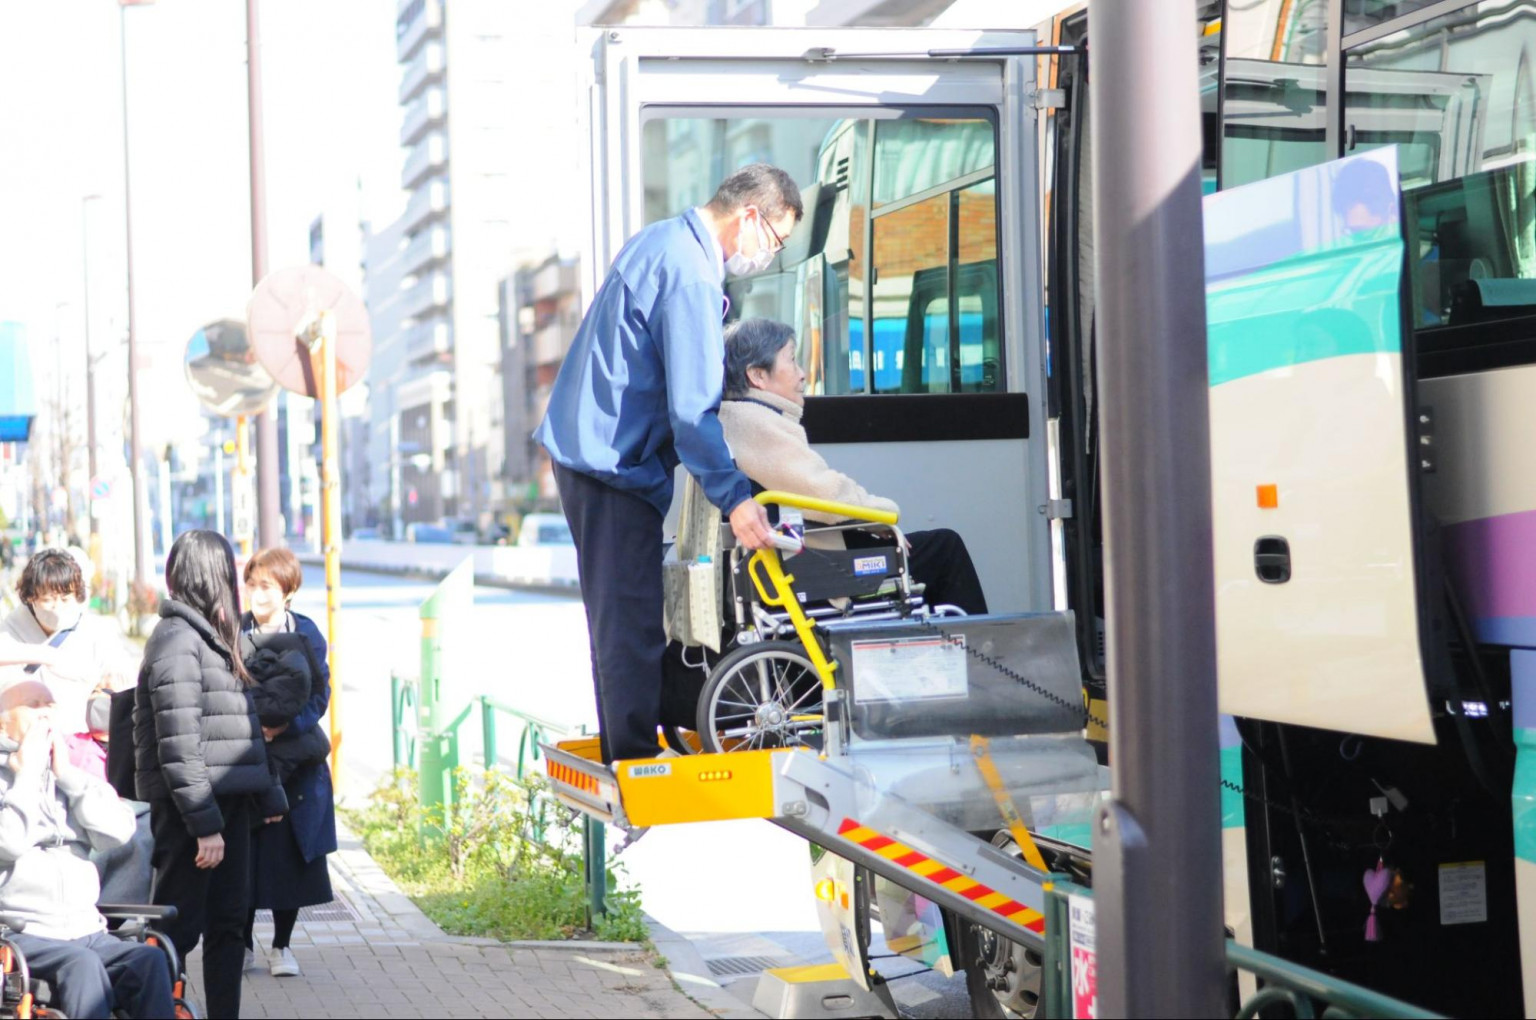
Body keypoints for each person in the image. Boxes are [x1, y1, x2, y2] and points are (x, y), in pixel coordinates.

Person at [533, 164, 804, 763]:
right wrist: (736, 498)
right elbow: (692, 409)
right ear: (750, 216)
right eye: (776, 241)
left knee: (622, 610)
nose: (769, 254)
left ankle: (631, 744)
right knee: (627, 618)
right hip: (608, 461)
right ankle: (630, 760)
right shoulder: (690, 276)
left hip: (593, 449)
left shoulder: (661, 240)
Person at [719, 318, 989, 615]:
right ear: (757, 375)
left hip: (799, 553)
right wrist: (881, 514)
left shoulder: (740, 419)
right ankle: (983, 653)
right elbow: (823, 494)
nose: (802, 375)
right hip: (816, 567)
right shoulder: (757, 424)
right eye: (793, 361)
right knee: (945, 549)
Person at [134, 530, 283, 1020]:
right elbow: (178, 744)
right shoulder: (177, 642)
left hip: (228, 809)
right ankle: (156, 1011)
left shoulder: (213, 636)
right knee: (175, 933)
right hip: (193, 817)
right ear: (210, 575)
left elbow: (240, 729)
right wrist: (205, 826)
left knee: (228, 925)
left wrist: (268, 800)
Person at [0, 665, 175, 1019]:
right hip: (22, 932)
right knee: (82, 965)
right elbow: (8, 843)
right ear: (3, 720)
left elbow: (118, 831)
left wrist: (67, 777)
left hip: (86, 927)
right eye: (34, 704)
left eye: (51, 704)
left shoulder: (69, 773)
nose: (47, 713)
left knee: (149, 959)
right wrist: (28, 776)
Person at [237, 548, 336, 980]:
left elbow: (320, 694)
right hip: (243, 758)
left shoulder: (307, 632)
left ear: (288, 591)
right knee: (243, 856)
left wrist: (284, 728)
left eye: (267, 587)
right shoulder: (233, 631)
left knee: (288, 857)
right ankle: (241, 945)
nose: (258, 594)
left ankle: (282, 945)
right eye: (253, 584)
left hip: (294, 761)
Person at [0, 549, 133, 733]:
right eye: (48, 600)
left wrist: (114, 678)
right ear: (31, 597)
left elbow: (121, 673)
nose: (57, 607)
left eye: (65, 599)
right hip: (27, 740)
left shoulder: (96, 630)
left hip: (82, 741)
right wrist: (46, 655)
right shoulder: (10, 629)